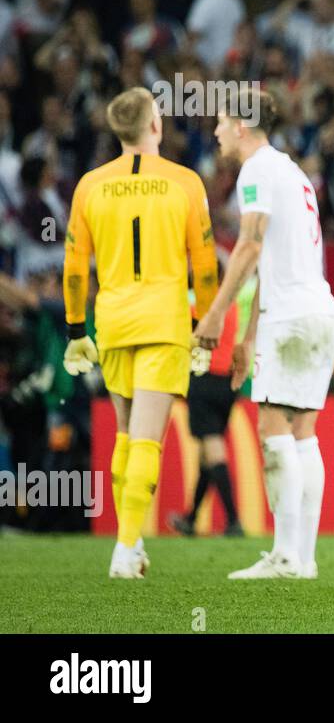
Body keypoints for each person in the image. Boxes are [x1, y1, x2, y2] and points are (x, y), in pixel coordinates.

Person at [62, 86, 218, 578]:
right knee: (148, 440)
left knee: (127, 436)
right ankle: (125, 549)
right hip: (164, 321)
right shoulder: (186, 182)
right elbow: (206, 266)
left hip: (111, 321)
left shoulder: (90, 184)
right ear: (155, 126)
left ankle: (130, 542)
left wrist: (73, 330)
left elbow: (73, 266)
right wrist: (204, 327)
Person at [194, 89, 334, 580]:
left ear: (240, 124)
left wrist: (214, 315)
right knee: (303, 435)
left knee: (272, 429)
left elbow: (251, 246)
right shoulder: (292, 171)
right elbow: (274, 259)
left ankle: (283, 556)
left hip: (293, 316)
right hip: (316, 307)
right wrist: (249, 335)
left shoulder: (255, 170)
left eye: (219, 122)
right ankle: (303, 558)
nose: (214, 132)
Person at [169, 267, 243, 538]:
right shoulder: (231, 306)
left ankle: (234, 520)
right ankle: (191, 517)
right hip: (226, 382)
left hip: (203, 379)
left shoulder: (194, 306)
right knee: (206, 456)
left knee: (213, 448)